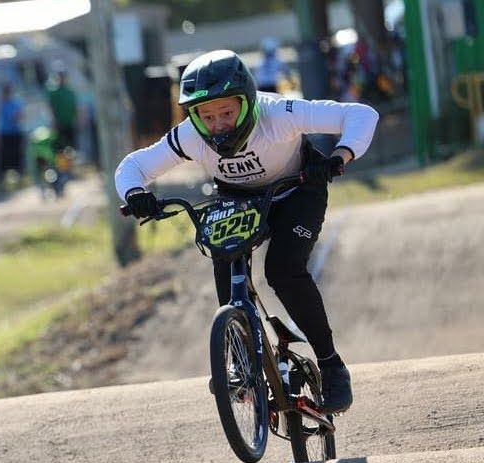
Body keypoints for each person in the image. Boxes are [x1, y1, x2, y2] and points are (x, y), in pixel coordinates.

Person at [117, 49, 378, 414]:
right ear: (194, 115)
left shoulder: (280, 113)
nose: (218, 124)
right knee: (224, 259)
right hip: (239, 199)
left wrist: (341, 156)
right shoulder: (190, 135)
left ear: (247, 102)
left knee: (283, 271)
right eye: (207, 116)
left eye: (226, 112)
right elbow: (133, 166)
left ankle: (332, 365)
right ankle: (241, 360)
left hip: (297, 190)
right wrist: (136, 194)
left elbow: (361, 114)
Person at [0, 82, 26, 193]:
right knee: (4, 159)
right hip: (5, 134)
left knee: (17, 157)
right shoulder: (1, 104)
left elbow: (20, 116)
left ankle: (20, 180)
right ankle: (2, 183)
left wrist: (16, 117)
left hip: (15, 133)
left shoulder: (16, 103)